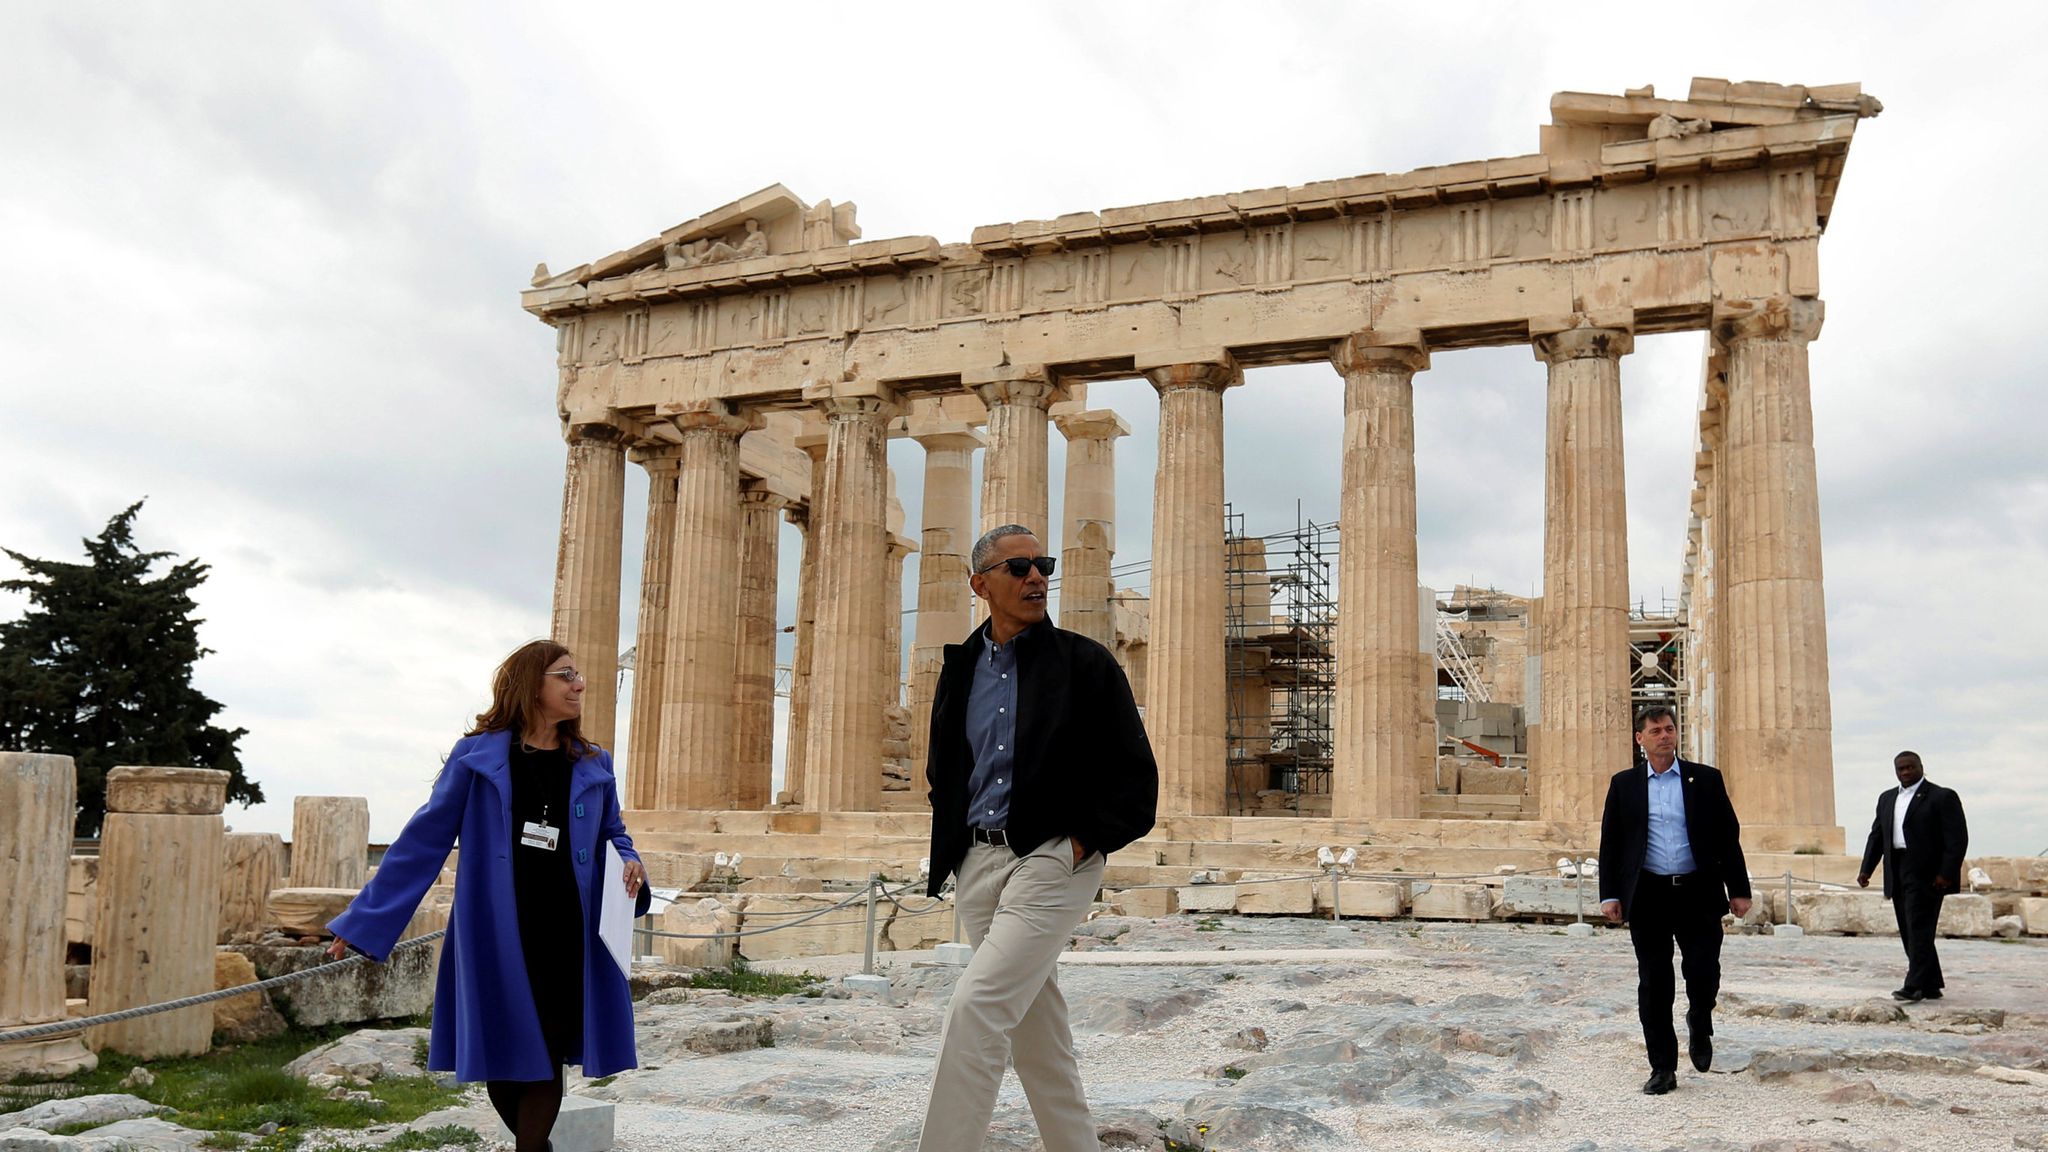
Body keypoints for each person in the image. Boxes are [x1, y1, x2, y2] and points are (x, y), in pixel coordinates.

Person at [326, 640, 651, 1152]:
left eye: (578, 675)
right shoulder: (476, 757)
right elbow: (423, 841)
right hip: (498, 926)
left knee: (545, 1046)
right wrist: (362, 922)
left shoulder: (593, 761)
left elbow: (615, 833)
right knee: (505, 1048)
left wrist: (631, 860)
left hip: (570, 926)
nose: (580, 684)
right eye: (565, 676)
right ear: (532, 687)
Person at [916, 525, 1158, 1152]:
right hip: (978, 860)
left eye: (1042, 564)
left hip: (1052, 857)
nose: (1035, 577)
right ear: (981, 584)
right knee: (1035, 1029)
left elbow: (1135, 775)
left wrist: (1081, 844)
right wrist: (955, 850)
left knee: (978, 1008)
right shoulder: (960, 667)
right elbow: (945, 768)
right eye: (1017, 566)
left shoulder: (1085, 663)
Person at [1598, 704, 1752, 1096]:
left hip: (1697, 891)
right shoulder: (1624, 785)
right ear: (1640, 739)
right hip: (1648, 893)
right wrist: (1610, 895)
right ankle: (1662, 1068)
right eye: (1656, 731)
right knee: (1654, 982)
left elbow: (1726, 837)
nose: (1665, 735)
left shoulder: (1706, 779)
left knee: (1703, 971)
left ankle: (1700, 1019)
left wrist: (1739, 889)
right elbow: (1612, 844)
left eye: (1669, 729)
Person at [1857, 750, 1968, 1001]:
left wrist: (1946, 873)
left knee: (1920, 927)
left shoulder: (1942, 796)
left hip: (1927, 873)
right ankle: (1930, 983)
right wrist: (1866, 869)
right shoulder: (1886, 798)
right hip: (1897, 868)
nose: (1905, 772)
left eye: (1910, 767)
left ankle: (1914, 985)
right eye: (1901, 769)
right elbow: (1877, 835)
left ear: (1921, 767)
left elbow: (1957, 840)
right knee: (1909, 929)